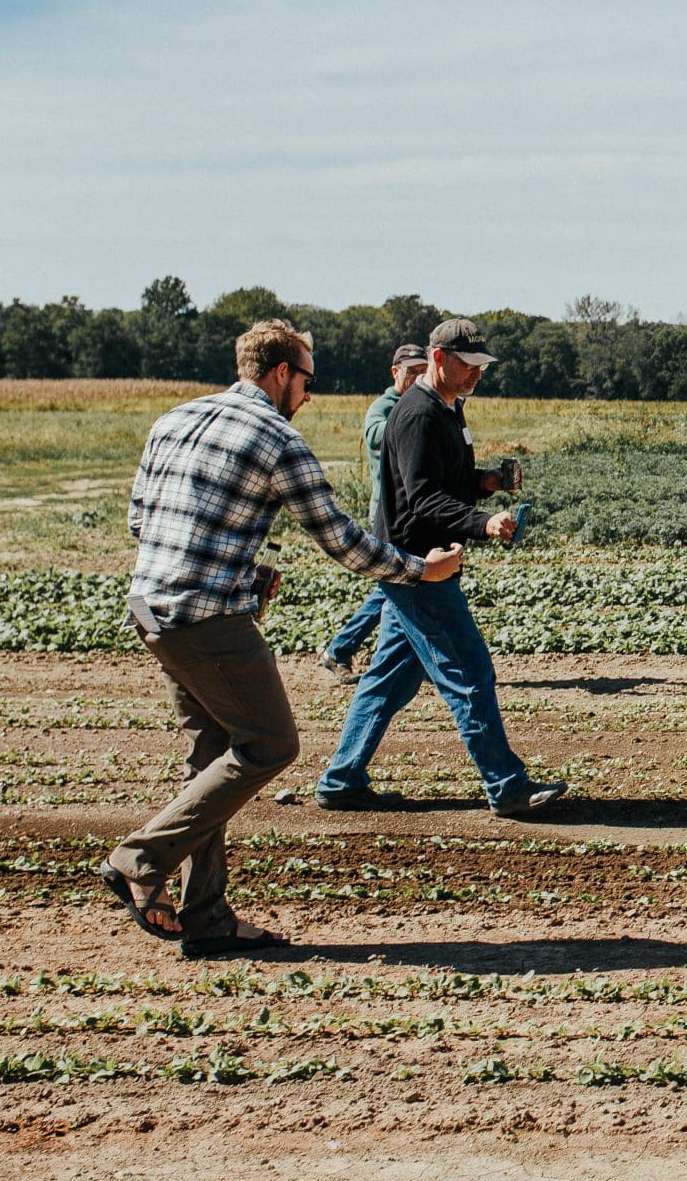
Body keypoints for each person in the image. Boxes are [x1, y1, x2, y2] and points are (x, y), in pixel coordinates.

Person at [105, 320, 464, 957]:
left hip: (151, 609)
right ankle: (140, 859)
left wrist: (243, 569)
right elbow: (342, 540)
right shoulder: (278, 440)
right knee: (270, 744)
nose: (308, 394)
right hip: (209, 619)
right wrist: (419, 570)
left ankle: (207, 918)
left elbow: (143, 517)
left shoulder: (174, 419)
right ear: (279, 374)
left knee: (211, 755)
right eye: (307, 380)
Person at [314, 317, 568, 818]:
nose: (476, 375)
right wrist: (481, 524)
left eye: (481, 366)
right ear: (437, 359)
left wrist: (487, 482)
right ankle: (507, 786)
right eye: (468, 365)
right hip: (420, 567)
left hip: (424, 563)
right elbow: (423, 498)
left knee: (389, 679)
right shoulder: (417, 417)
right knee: (468, 669)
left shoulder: (449, 409)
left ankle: (341, 781)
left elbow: (444, 480)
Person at [318, 341, 430, 683]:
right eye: (411, 372)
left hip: (413, 514)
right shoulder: (384, 407)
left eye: (422, 372)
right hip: (389, 516)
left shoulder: (424, 404)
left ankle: (405, 657)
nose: (417, 378)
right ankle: (341, 648)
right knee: (395, 584)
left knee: (408, 585)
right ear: (395, 372)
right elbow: (376, 435)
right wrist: (414, 416)